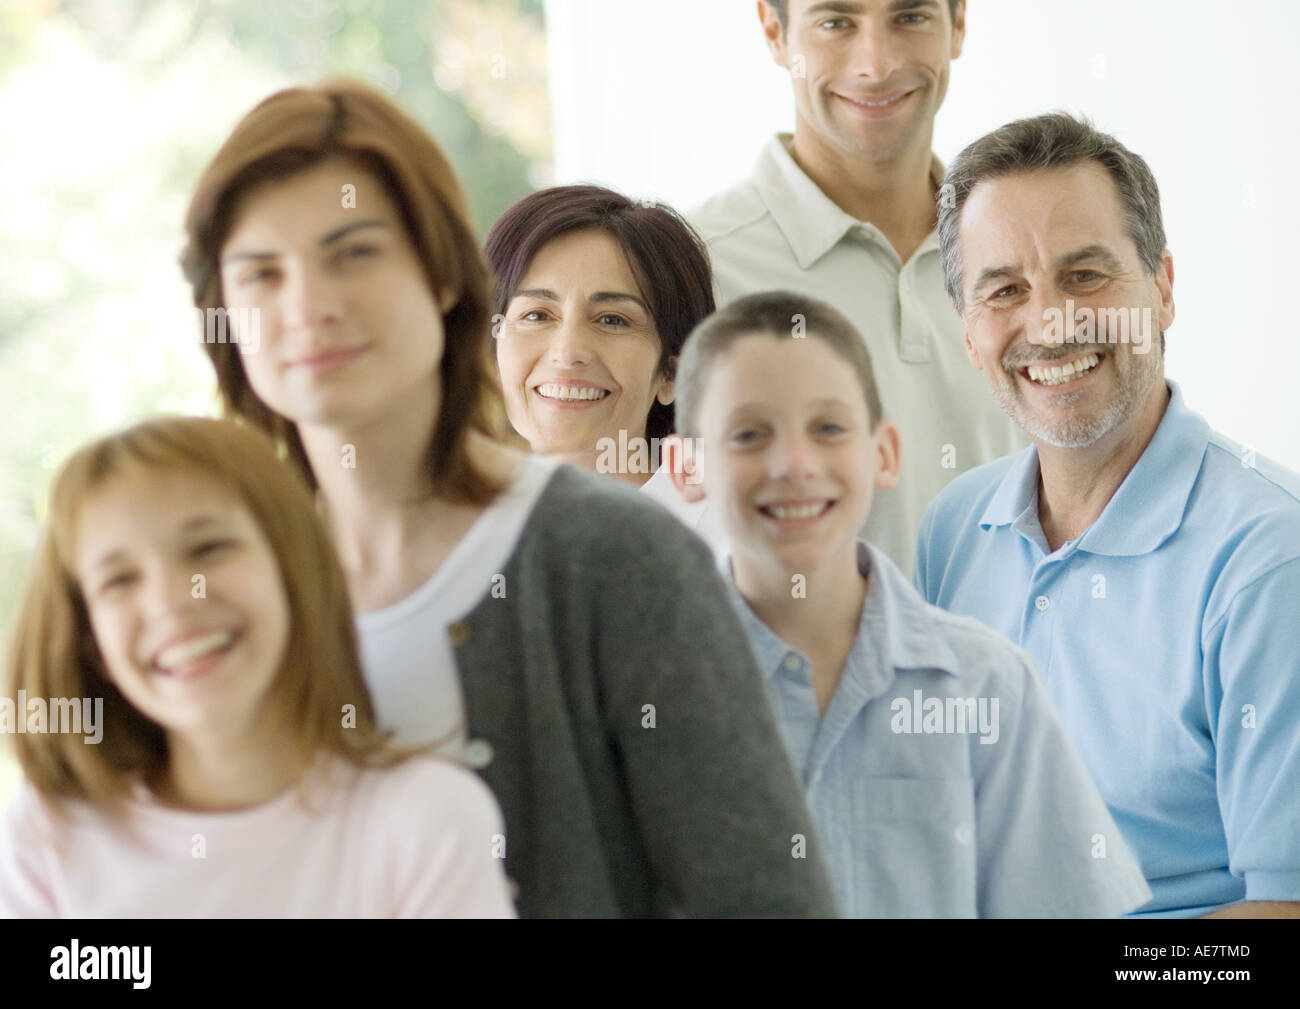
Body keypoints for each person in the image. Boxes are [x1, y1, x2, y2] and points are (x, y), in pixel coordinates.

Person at [180, 78, 836, 918]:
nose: (309, 304)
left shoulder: (621, 556)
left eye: (353, 252)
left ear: (445, 282)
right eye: (261, 271)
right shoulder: (220, 584)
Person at [914, 112, 1300, 918]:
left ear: (1162, 288)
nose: (1051, 322)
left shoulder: (1269, 561)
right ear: (968, 331)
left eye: (1086, 275)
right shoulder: (952, 530)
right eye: (1006, 290)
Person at [665, 290, 1151, 917]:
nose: (794, 464)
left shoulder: (988, 688)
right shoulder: (638, 694)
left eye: (829, 428)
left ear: (884, 453)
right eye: (749, 434)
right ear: (685, 466)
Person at [0, 417, 515, 917]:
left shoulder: (424, 821)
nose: (171, 602)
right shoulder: (47, 836)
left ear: (295, 570)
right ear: (92, 644)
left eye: (208, 548)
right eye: (118, 580)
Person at [690, 0, 1023, 574]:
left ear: (958, 23)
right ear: (776, 32)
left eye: (910, 17)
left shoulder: (1019, 253)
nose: (876, 65)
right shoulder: (693, 270)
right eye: (835, 21)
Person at [485, 184, 725, 551]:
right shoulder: (445, 535)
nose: (568, 353)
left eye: (612, 320)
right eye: (536, 315)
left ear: (673, 374)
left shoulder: (736, 540)